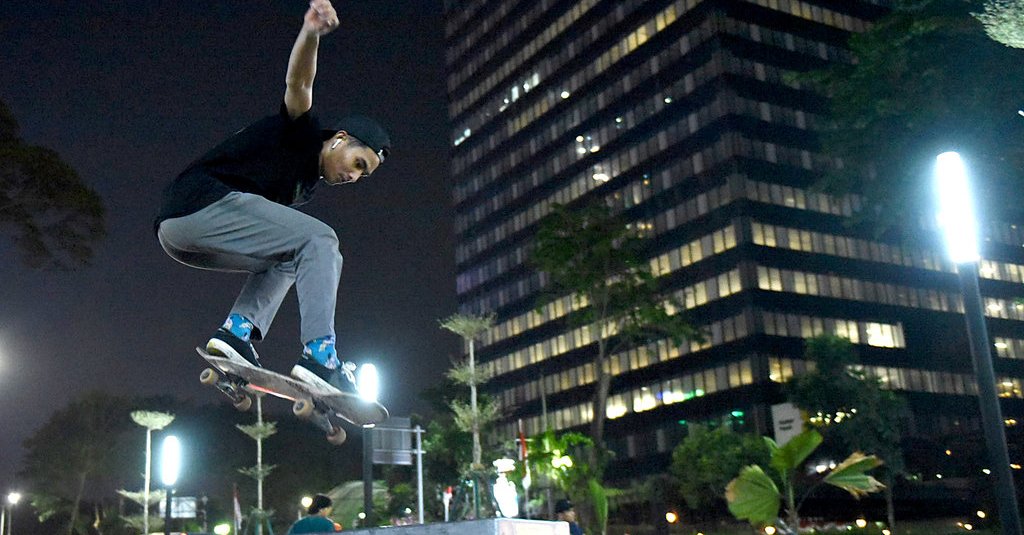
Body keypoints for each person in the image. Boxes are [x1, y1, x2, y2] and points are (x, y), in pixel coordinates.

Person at [155, 0, 390, 396]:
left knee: (291, 257)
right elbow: (298, 85)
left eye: (362, 175)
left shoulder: (304, 186)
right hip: (200, 202)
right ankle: (320, 356)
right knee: (319, 240)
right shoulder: (302, 133)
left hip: (182, 235)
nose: (354, 175)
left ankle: (235, 334)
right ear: (340, 139)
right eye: (358, 162)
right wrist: (311, 33)